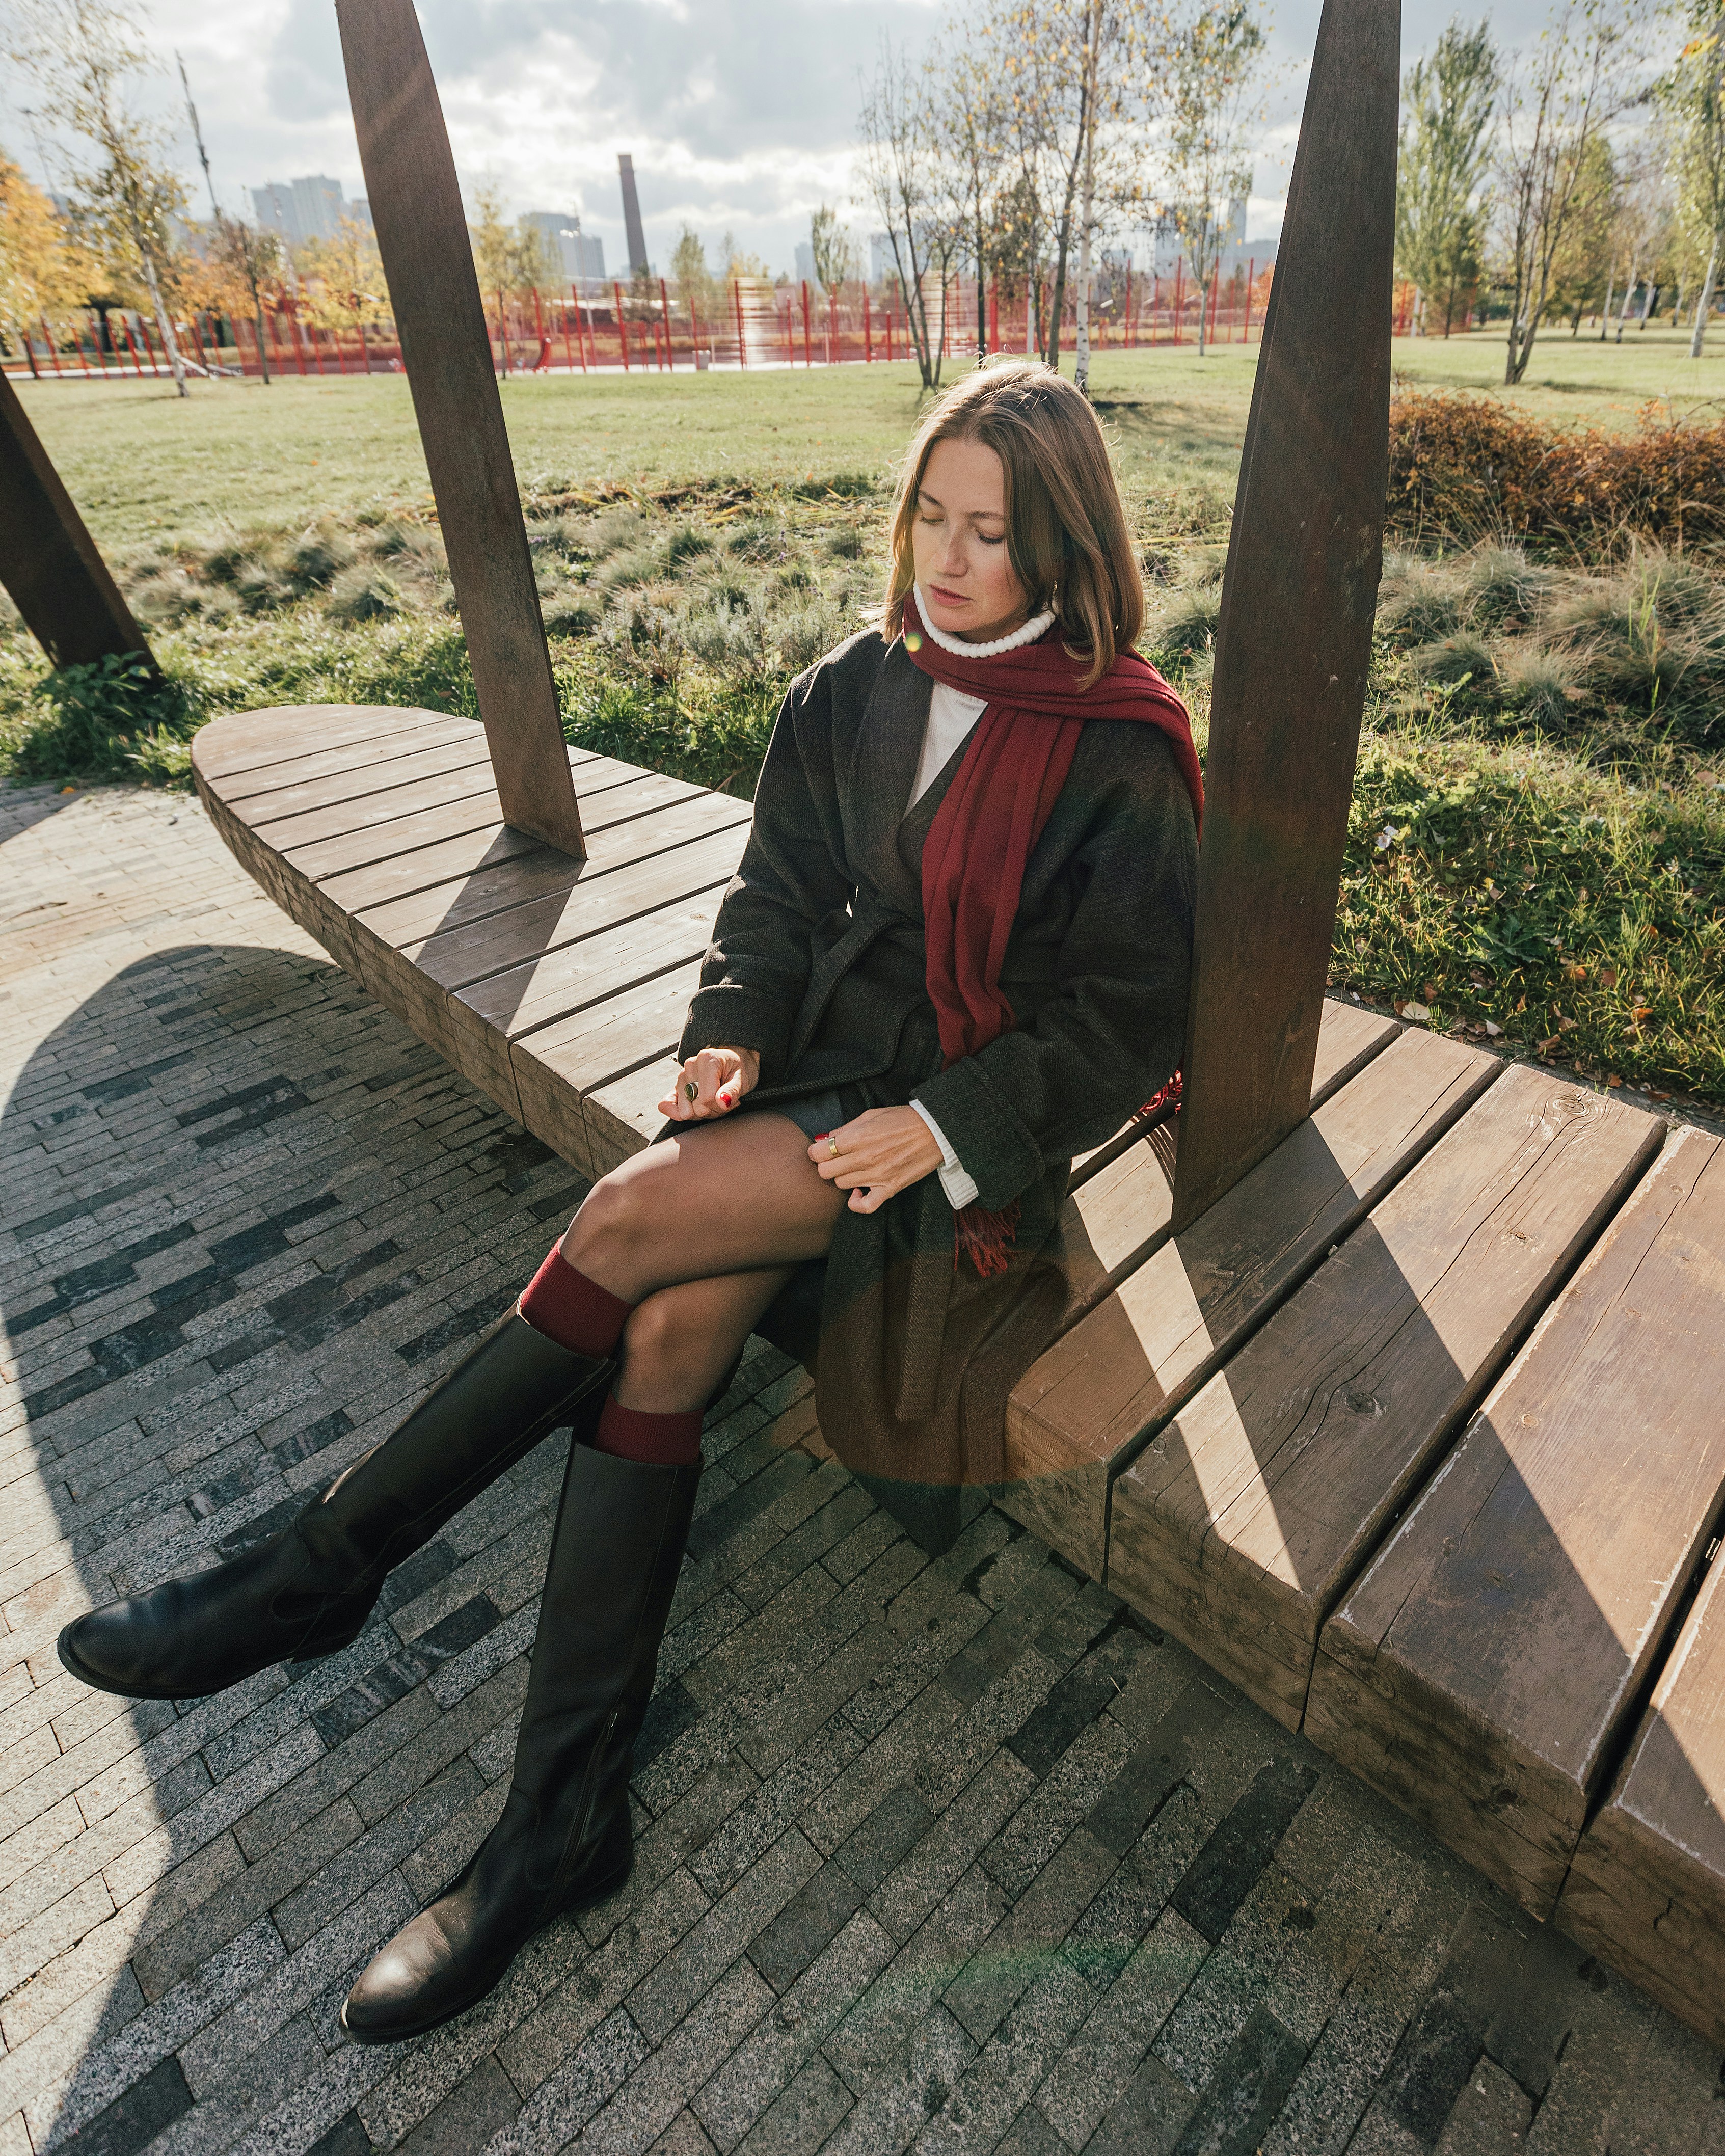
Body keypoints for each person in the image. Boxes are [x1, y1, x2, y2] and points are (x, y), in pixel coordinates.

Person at [56, 359, 1201, 2045]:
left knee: (621, 1230)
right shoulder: (853, 685)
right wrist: (733, 1032)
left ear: (1065, 550)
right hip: (804, 1092)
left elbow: (1129, 1014)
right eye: (931, 519)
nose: (948, 563)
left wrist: (950, 1128)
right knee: (660, 1331)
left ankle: (323, 1565)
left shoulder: (1119, 747)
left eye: (994, 536)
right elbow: (772, 897)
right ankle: (559, 1825)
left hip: (954, 1152)